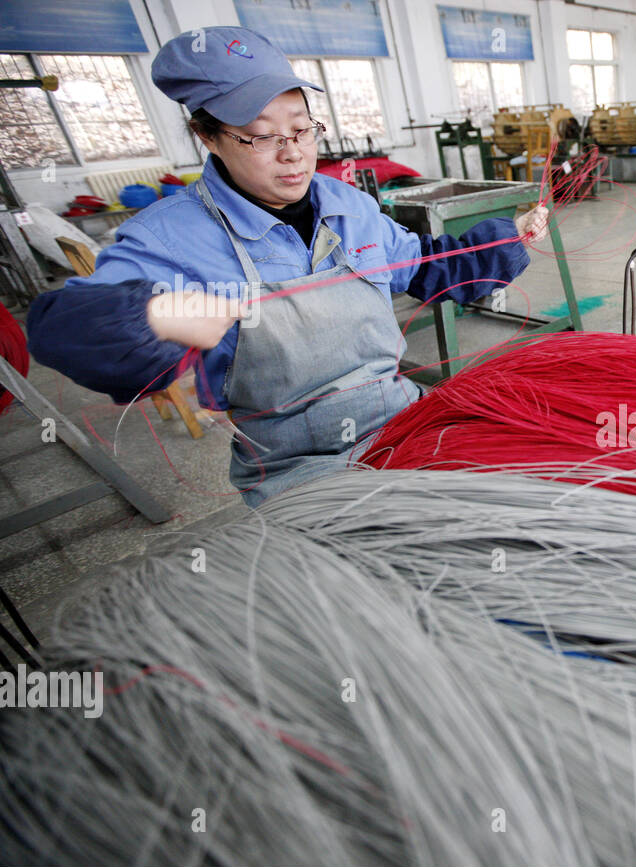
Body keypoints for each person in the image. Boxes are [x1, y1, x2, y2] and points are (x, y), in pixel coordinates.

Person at [26, 27, 548, 507]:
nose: (293, 155)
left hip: (407, 420)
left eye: (302, 130)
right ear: (207, 136)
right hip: (298, 468)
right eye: (261, 136)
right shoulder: (169, 238)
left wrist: (506, 239)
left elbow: (431, 268)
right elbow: (60, 328)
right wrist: (155, 316)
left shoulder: (349, 205)